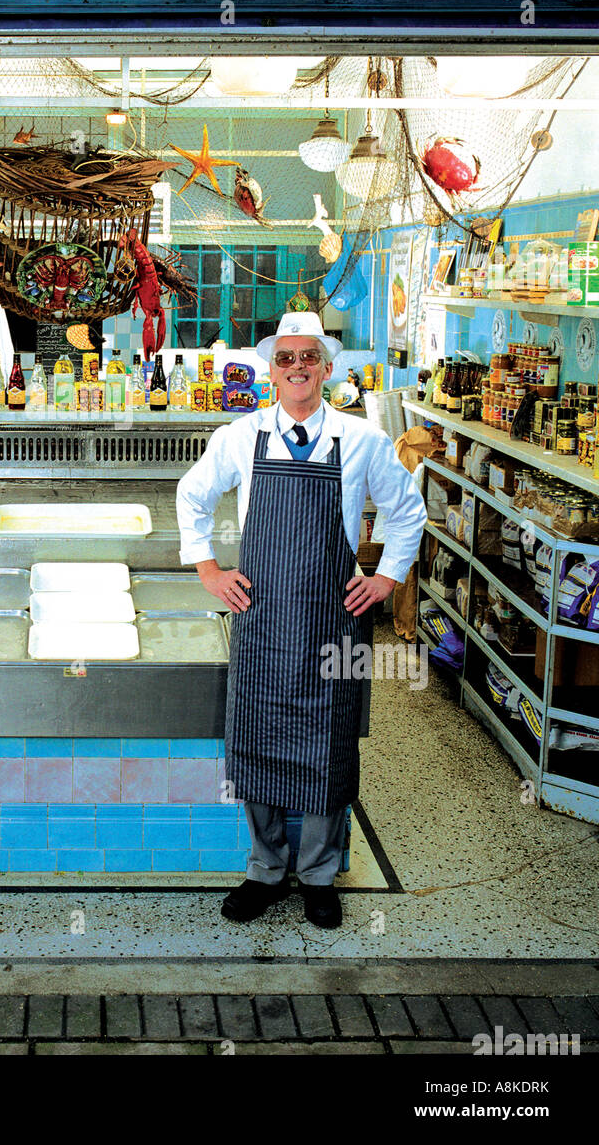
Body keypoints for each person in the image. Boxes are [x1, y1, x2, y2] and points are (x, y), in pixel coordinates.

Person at [176, 312, 426, 929]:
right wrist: (208, 569)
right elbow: (192, 495)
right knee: (256, 740)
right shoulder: (242, 436)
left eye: (307, 358)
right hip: (262, 621)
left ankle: (318, 874)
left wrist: (387, 578)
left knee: (329, 746)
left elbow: (406, 510)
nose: (296, 369)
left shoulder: (361, 439)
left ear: (328, 368)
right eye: (285, 359)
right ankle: (265, 869)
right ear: (271, 369)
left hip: (333, 623)